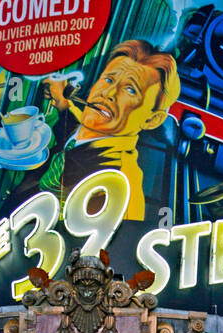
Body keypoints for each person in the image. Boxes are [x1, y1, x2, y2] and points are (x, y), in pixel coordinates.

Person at [31, 39, 180, 222]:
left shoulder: (121, 187)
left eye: (130, 90)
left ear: (151, 119)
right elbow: (78, 138)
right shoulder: (93, 134)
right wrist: (62, 101)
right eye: (108, 79)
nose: (107, 93)